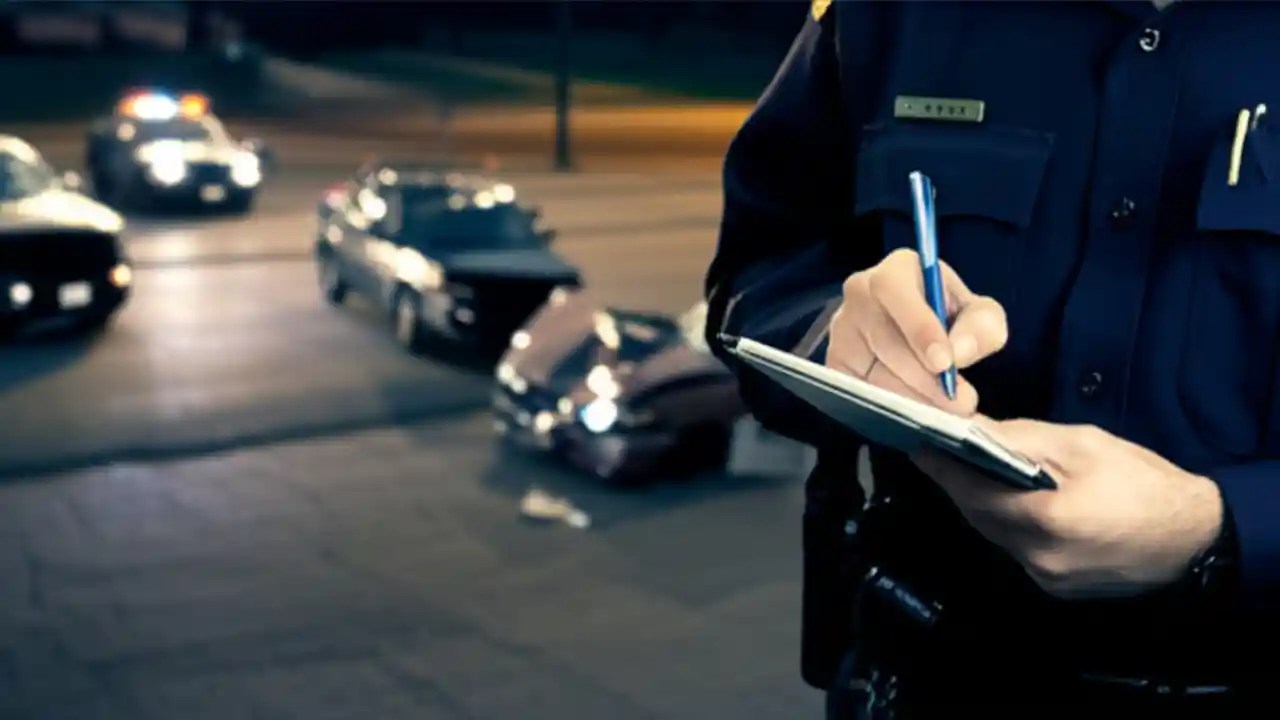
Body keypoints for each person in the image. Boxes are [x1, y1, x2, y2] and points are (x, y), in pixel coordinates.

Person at [704, 0, 1280, 716]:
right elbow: (758, 276)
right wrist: (835, 338)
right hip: (925, 678)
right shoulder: (883, 15)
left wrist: (1220, 526)